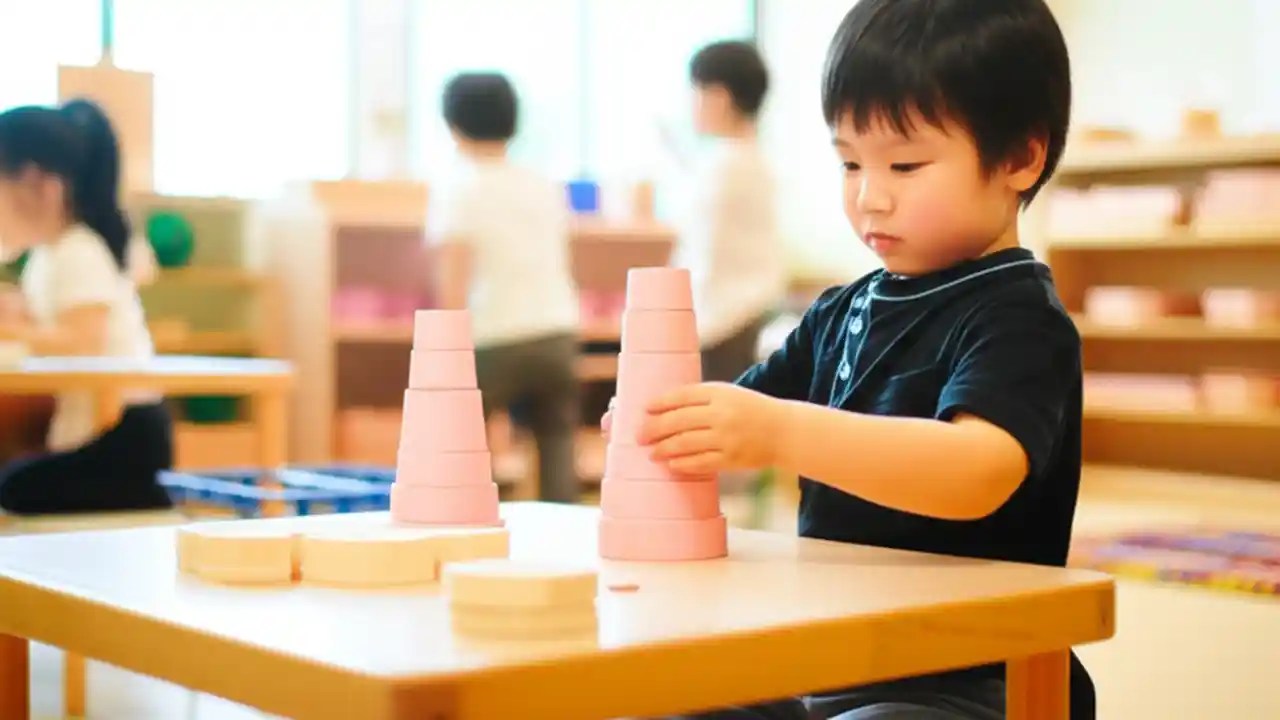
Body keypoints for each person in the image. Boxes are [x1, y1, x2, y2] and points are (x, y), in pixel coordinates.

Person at [608, 1, 1097, 718]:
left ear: (1020, 157)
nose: (869, 195)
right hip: (835, 659)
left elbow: (978, 471)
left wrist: (779, 431)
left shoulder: (1017, 314)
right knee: (662, 696)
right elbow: (738, 423)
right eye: (848, 162)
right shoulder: (843, 310)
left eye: (905, 164)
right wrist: (678, 423)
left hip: (971, 678)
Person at [0, 99, 173, 515]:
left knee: (13, 491)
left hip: (123, 436)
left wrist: (13, 330)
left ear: (38, 184)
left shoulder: (80, 250)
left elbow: (83, 342)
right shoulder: (49, 256)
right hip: (96, 428)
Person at [429, 72, 581, 504]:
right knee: (556, 445)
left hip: (493, 337)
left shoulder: (459, 186)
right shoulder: (541, 184)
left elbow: (453, 280)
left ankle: (471, 523)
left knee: (464, 445)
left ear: (452, 126)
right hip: (556, 332)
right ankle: (567, 539)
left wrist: (447, 353)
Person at [677, 40, 787, 383]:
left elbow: (704, 259)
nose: (691, 105)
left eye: (696, 92)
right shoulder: (754, 159)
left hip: (722, 325)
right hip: (750, 315)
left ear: (720, 97)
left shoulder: (724, 167)